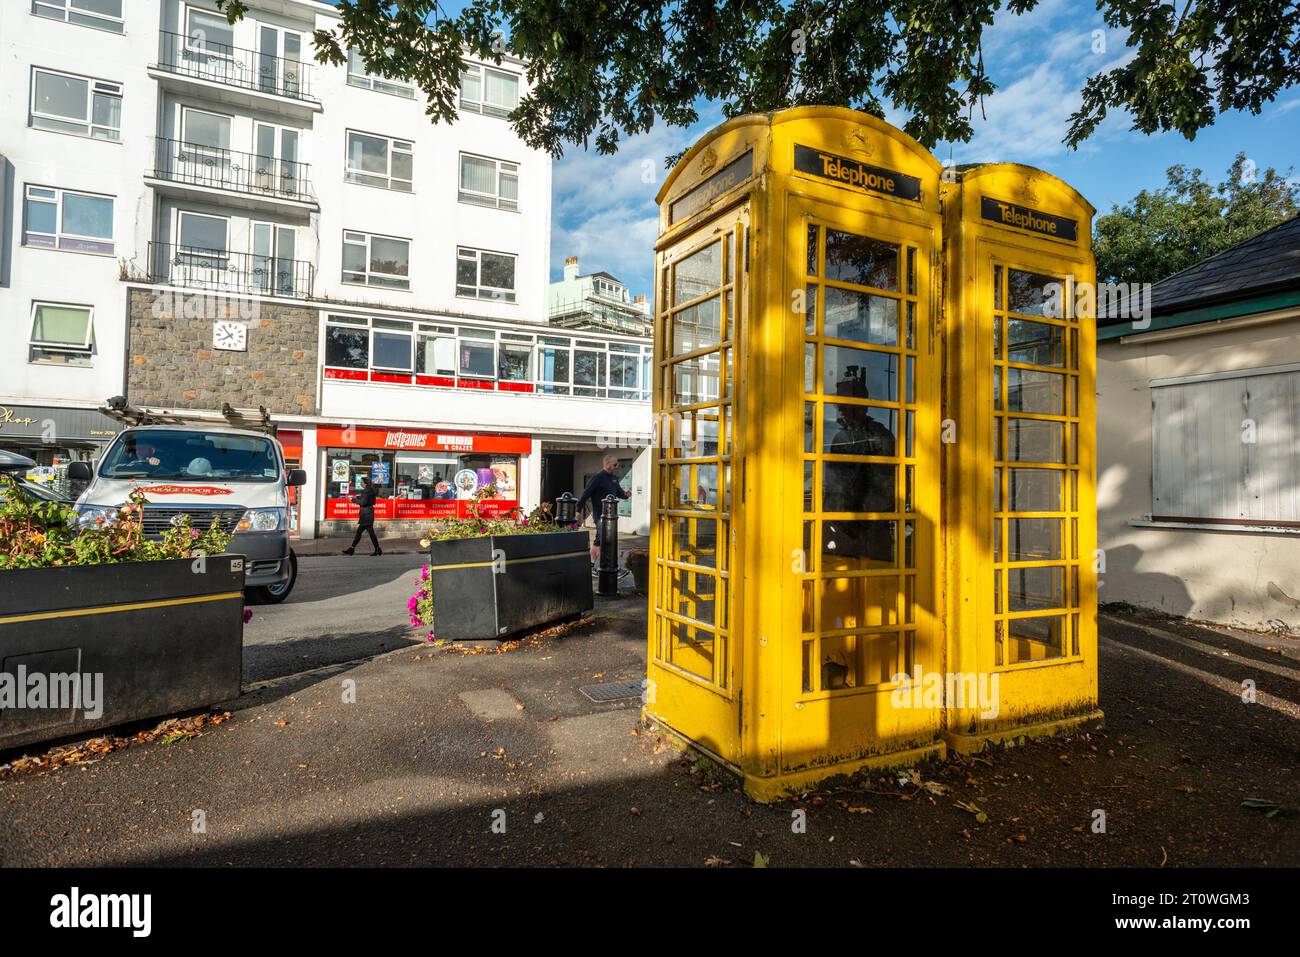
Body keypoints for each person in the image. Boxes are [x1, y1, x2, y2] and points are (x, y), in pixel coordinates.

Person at [576, 454, 630, 564]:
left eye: (617, 463)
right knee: (604, 536)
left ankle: (593, 563)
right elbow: (585, 495)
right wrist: (578, 510)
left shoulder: (614, 478)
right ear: (607, 464)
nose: (617, 466)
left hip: (611, 515)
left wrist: (626, 494)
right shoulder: (597, 478)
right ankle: (603, 563)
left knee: (600, 539)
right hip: (599, 514)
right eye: (615, 464)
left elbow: (619, 493)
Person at [342, 475, 382, 556]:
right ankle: (376, 549)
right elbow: (371, 501)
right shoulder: (371, 490)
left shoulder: (366, 491)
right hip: (369, 513)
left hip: (366, 515)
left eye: (361, 482)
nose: (360, 483)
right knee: (367, 533)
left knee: (363, 533)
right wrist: (360, 498)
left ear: (365, 483)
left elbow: (363, 502)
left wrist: (353, 500)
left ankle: (352, 549)